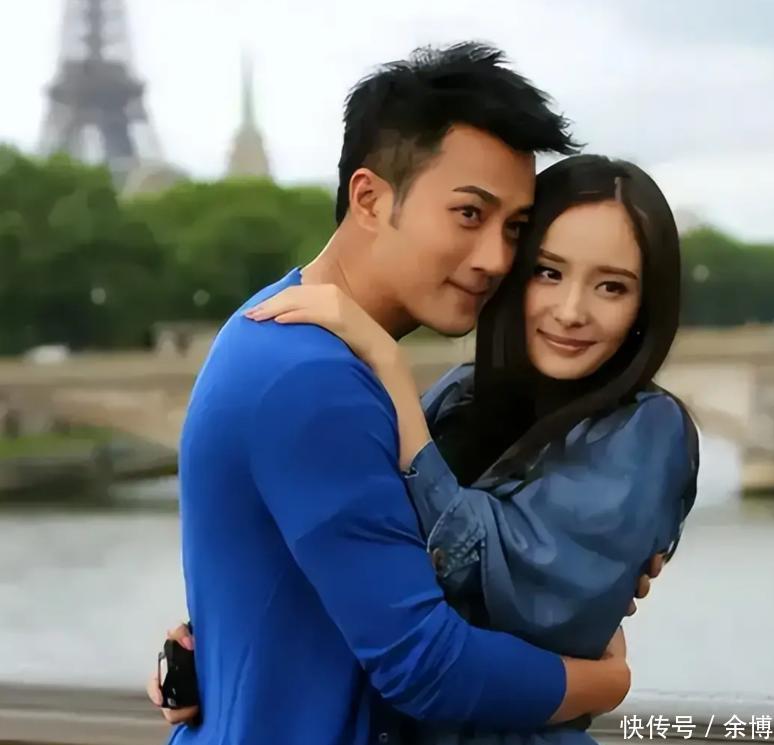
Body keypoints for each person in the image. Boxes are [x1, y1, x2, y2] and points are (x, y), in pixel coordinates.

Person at [152, 43, 652, 745]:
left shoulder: (276, 332)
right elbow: (425, 664)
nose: (496, 259)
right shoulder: (314, 379)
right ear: (370, 198)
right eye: (469, 214)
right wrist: (604, 682)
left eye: (514, 229)